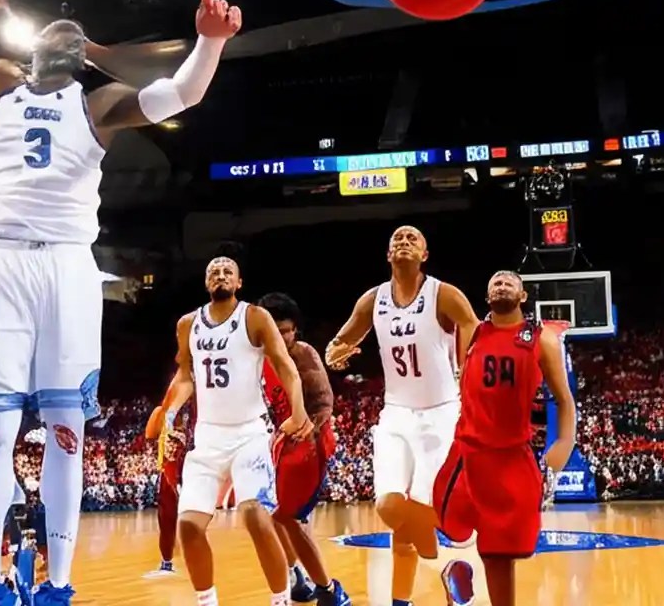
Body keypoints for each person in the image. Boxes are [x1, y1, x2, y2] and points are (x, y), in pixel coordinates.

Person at [0, 0, 242, 606]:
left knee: (66, 428)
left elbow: (182, 93)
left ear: (84, 58)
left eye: (74, 37)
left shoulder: (99, 103)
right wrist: (73, 42)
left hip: (67, 264)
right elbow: (6, 61)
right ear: (30, 51)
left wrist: (209, 42)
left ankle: (59, 582)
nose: (61, 35)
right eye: (52, 34)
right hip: (1, 257)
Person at [324, 226, 480, 606]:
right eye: (397, 239)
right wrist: (334, 353)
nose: (404, 241)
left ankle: (400, 600)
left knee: (420, 516)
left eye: (413, 238)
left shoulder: (443, 294)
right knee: (390, 505)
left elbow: (474, 329)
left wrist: (465, 367)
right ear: (387, 255)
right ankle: (445, 565)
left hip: (441, 414)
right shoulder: (372, 300)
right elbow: (341, 342)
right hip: (396, 412)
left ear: (425, 255)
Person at [163, 256, 313, 606]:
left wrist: (299, 410)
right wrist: (169, 415)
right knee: (188, 526)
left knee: (254, 515)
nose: (220, 274)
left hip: (249, 434)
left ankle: (280, 599)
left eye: (227, 270)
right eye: (213, 271)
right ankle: (207, 601)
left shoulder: (255, 317)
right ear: (206, 283)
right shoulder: (188, 324)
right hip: (208, 437)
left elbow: (285, 366)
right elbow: (186, 377)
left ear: (239, 282)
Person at [434, 271, 576, 606]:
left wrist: (565, 442)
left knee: (502, 553)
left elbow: (564, 399)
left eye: (508, 282)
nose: (500, 285)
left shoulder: (541, 340)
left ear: (523, 296)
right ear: (486, 298)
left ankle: (464, 575)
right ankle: (458, 566)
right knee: (445, 521)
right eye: (494, 282)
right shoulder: (470, 333)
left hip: (512, 454)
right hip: (468, 450)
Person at [256, 293, 351, 606]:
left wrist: (309, 425)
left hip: (310, 445)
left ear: (295, 330)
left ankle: (329, 590)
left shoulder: (303, 354)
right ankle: (298, 576)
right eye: (276, 330)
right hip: (280, 446)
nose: (283, 337)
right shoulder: (256, 357)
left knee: (290, 517)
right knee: (271, 514)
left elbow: (324, 402)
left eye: (288, 331)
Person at [143, 374, 192, 578]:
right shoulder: (163, 413)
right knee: (167, 519)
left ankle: (195, 560)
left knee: (193, 518)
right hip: (169, 474)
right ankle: (166, 562)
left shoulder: (198, 412)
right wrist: (163, 412)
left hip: (192, 469)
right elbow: (149, 433)